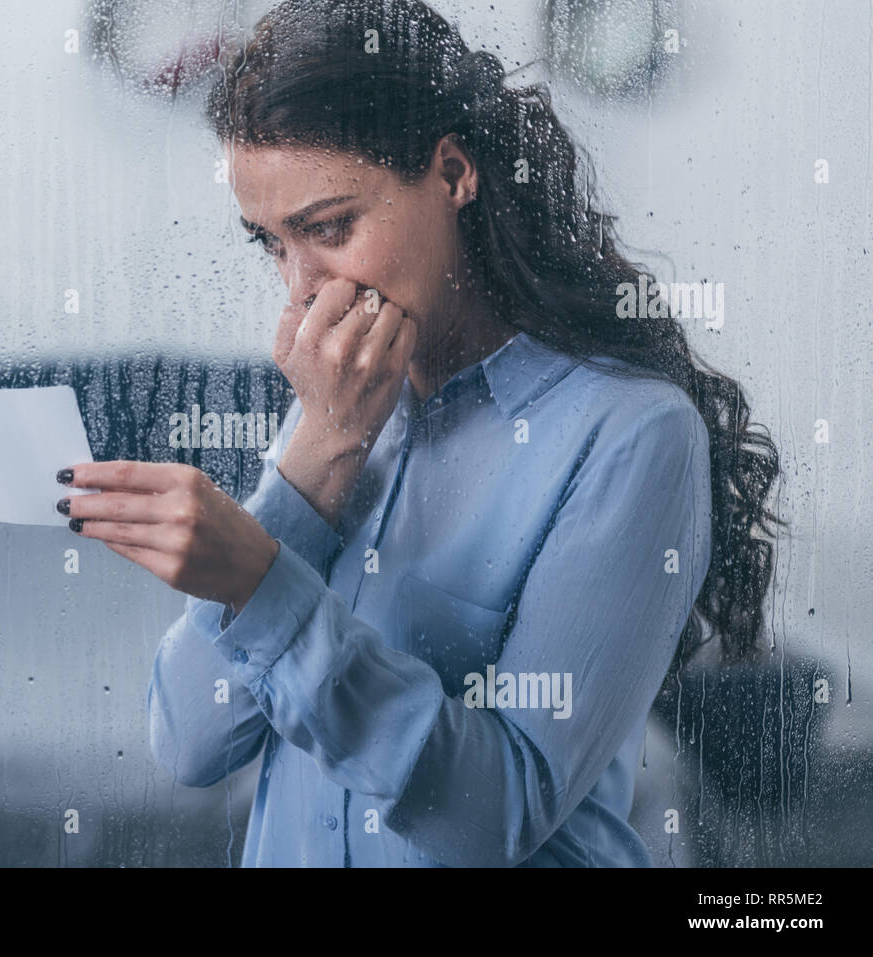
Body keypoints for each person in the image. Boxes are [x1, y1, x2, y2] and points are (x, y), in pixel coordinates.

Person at [52, 0, 784, 866]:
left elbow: (496, 814)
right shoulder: (337, 405)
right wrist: (313, 464)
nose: (299, 289)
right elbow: (189, 742)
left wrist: (260, 581)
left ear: (451, 172)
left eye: (328, 229)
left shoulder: (629, 435)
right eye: (271, 244)